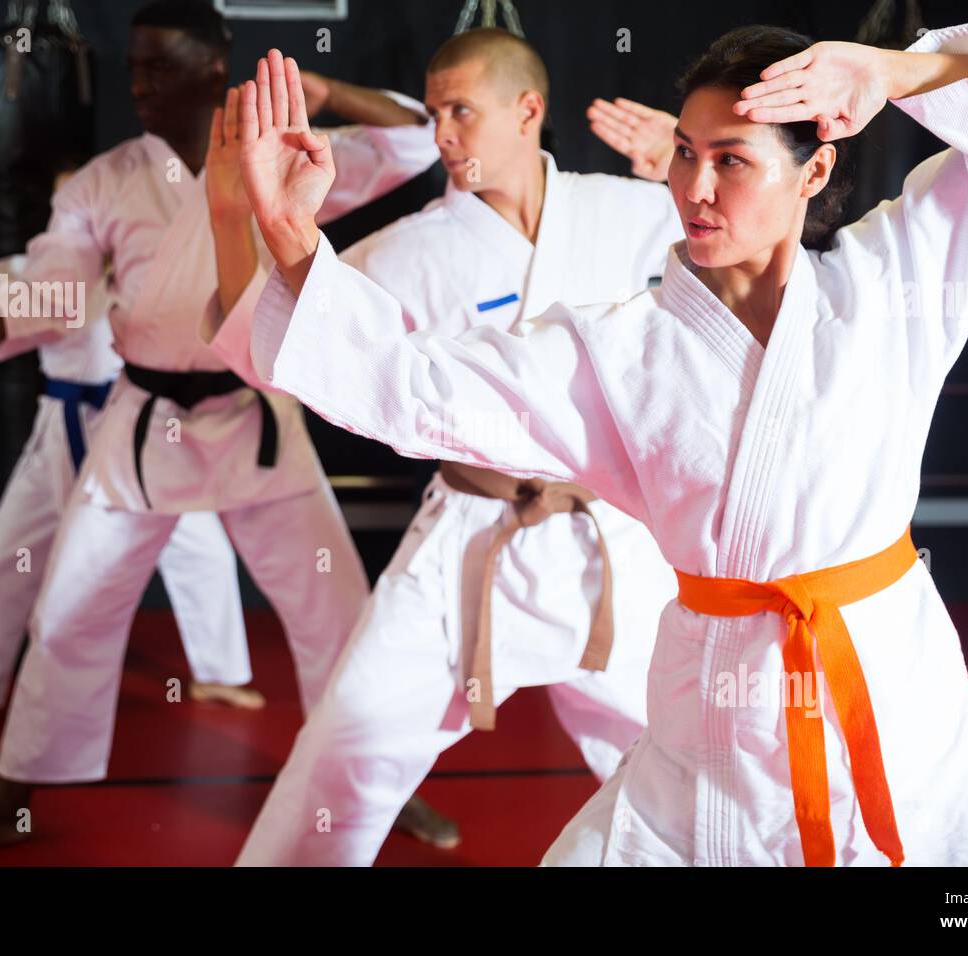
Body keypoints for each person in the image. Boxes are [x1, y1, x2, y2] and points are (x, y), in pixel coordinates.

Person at [231, 8, 968, 866]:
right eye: (685, 154)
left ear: (815, 169)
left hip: (887, 692)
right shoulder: (618, 351)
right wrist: (292, 235)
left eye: (732, 161)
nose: (694, 189)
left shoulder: (895, 276)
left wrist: (891, 72)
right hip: (707, 714)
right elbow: (417, 388)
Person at [0, 0, 448, 862]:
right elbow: (51, 298)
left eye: (160, 65)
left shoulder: (294, 156)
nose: (139, 84)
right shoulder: (105, 181)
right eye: (132, 67)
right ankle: (11, 797)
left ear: (213, 63)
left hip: (256, 416)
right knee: (69, 614)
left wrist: (326, 87)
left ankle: (380, 790)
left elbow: (419, 141)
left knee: (337, 610)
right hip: (144, 427)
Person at [205, 27, 681, 866]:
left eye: (462, 109)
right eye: (432, 114)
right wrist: (236, 215)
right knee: (345, 751)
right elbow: (274, 346)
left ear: (528, 110)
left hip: (613, 542)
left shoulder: (628, 211)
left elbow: (766, 242)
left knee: (690, 761)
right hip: (470, 538)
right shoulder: (409, 248)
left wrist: (680, 158)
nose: (443, 134)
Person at [0, 164, 262, 750]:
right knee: (5, 561)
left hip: (141, 428)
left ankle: (219, 673)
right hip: (60, 433)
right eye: (69, 205)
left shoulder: (149, 268)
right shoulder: (36, 277)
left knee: (202, 547)